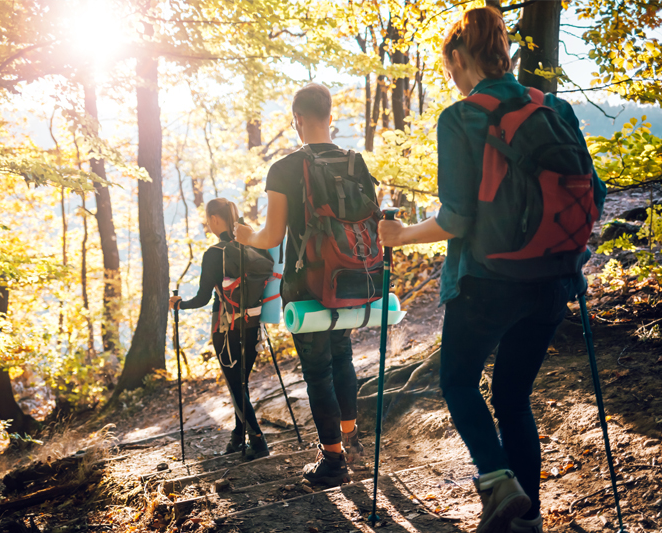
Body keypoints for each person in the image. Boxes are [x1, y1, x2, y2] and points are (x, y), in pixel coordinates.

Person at [378, 7, 606, 533]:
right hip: (555, 279)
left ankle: (499, 484)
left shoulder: (461, 117)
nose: (451, 79)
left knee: (458, 382)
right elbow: (594, 193)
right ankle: (528, 522)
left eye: (449, 68)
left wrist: (402, 235)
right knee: (512, 398)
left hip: (487, 284)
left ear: (460, 58)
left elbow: (456, 219)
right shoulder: (555, 108)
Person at [235, 83, 369, 486]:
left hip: (306, 283)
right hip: (350, 276)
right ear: (330, 116)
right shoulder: (354, 162)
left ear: (297, 119)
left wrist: (248, 236)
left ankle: (333, 459)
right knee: (342, 356)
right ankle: (350, 440)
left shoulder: (284, 168)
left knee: (317, 371)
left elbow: (272, 236)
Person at [169, 198, 270, 460]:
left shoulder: (214, 253)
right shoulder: (253, 244)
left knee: (236, 386)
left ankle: (258, 441)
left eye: (208, 220)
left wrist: (180, 304)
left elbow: (203, 298)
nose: (208, 224)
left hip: (226, 328)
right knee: (242, 383)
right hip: (253, 324)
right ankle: (238, 436)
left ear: (215, 219)